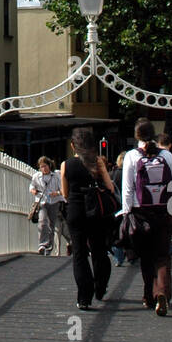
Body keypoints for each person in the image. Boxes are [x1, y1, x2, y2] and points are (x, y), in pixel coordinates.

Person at [123, 119, 172, 315]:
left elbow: (128, 188)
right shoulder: (167, 155)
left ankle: (149, 296)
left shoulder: (131, 156)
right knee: (162, 255)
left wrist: (126, 211)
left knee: (146, 257)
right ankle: (162, 292)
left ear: (137, 136)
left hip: (141, 213)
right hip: (163, 211)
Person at [60, 128, 115, 309]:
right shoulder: (97, 162)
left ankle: (84, 297)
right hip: (95, 211)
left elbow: (65, 193)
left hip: (75, 210)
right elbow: (110, 187)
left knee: (79, 254)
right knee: (99, 250)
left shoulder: (66, 165)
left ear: (73, 146)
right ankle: (100, 286)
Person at [30, 156, 63, 255]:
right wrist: (33, 190)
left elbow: (62, 189)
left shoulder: (56, 175)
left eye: (45, 166)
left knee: (51, 225)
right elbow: (32, 186)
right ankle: (42, 244)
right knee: (42, 221)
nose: (43, 169)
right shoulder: (36, 176)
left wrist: (56, 193)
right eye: (41, 167)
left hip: (54, 202)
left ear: (49, 165)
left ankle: (49, 247)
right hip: (42, 201)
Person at [108, 152, 126, 265]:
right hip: (128, 206)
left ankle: (118, 256)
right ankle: (131, 255)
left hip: (114, 207)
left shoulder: (111, 174)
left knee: (115, 233)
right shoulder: (131, 173)